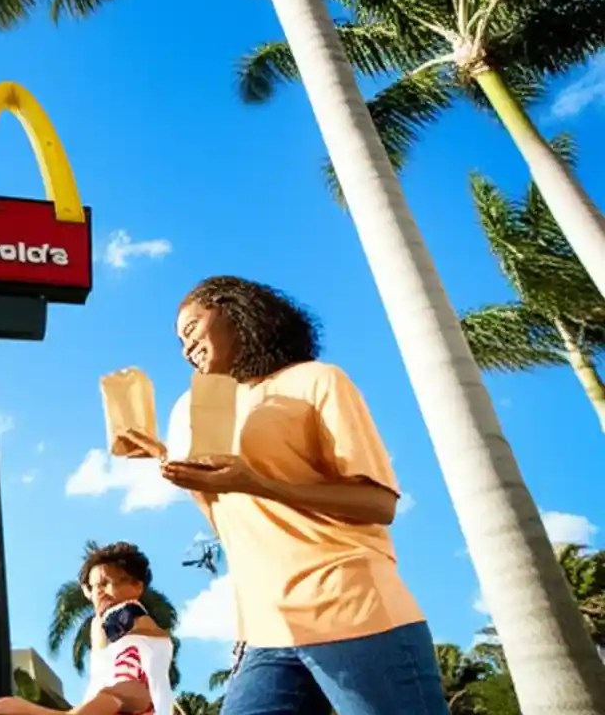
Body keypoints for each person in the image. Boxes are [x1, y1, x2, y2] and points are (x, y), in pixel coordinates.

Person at [122, 275, 449, 715]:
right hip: (265, 631)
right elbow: (233, 524)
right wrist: (175, 465)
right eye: (179, 341)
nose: (185, 347)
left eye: (191, 328)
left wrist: (257, 482)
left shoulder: (315, 381)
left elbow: (379, 504)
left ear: (231, 310)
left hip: (350, 607)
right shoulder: (197, 409)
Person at [0, 542, 173, 715]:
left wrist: (27, 710)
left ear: (137, 586)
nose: (100, 592)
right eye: (95, 587)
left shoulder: (133, 644)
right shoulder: (113, 642)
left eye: (107, 583)